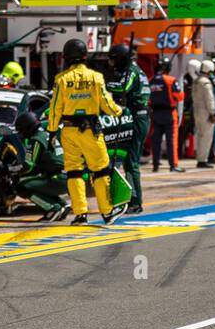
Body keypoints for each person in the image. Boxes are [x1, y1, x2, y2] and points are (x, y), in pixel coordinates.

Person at [48, 38, 124, 226]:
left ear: (66, 57)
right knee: (100, 170)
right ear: (84, 56)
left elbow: (55, 108)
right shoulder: (96, 77)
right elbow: (106, 103)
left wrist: (51, 131)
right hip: (91, 131)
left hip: (69, 131)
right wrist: (120, 110)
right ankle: (107, 211)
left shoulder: (61, 80)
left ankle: (80, 214)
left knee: (74, 172)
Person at [105, 43, 150, 213]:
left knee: (131, 162)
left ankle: (135, 202)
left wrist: (102, 85)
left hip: (139, 117)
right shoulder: (133, 70)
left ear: (121, 59)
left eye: (114, 60)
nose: (112, 64)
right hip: (137, 116)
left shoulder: (131, 71)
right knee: (127, 160)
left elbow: (123, 88)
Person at [4, 110, 70, 222]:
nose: (21, 133)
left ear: (28, 127)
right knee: (38, 182)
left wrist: (9, 169)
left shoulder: (36, 140)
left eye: (21, 130)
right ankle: (62, 205)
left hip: (58, 178)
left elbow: (28, 166)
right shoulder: (47, 133)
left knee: (21, 186)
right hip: (67, 176)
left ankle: (53, 208)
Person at [148, 59, 185, 174]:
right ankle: (173, 165)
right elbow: (179, 96)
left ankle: (155, 165)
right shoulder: (171, 80)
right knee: (171, 140)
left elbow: (147, 98)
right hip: (169, 114)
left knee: (156, 141)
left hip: (155, 114)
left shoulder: (151, 81)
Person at [193, 59, 215, 168]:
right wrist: (213, 113)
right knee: (206, 136)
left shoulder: (196, 81)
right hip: (205, 113)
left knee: (199, 135)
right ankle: (203, 159)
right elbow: (209, 99)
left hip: (197, 111)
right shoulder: (206, 83)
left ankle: (200, 157)